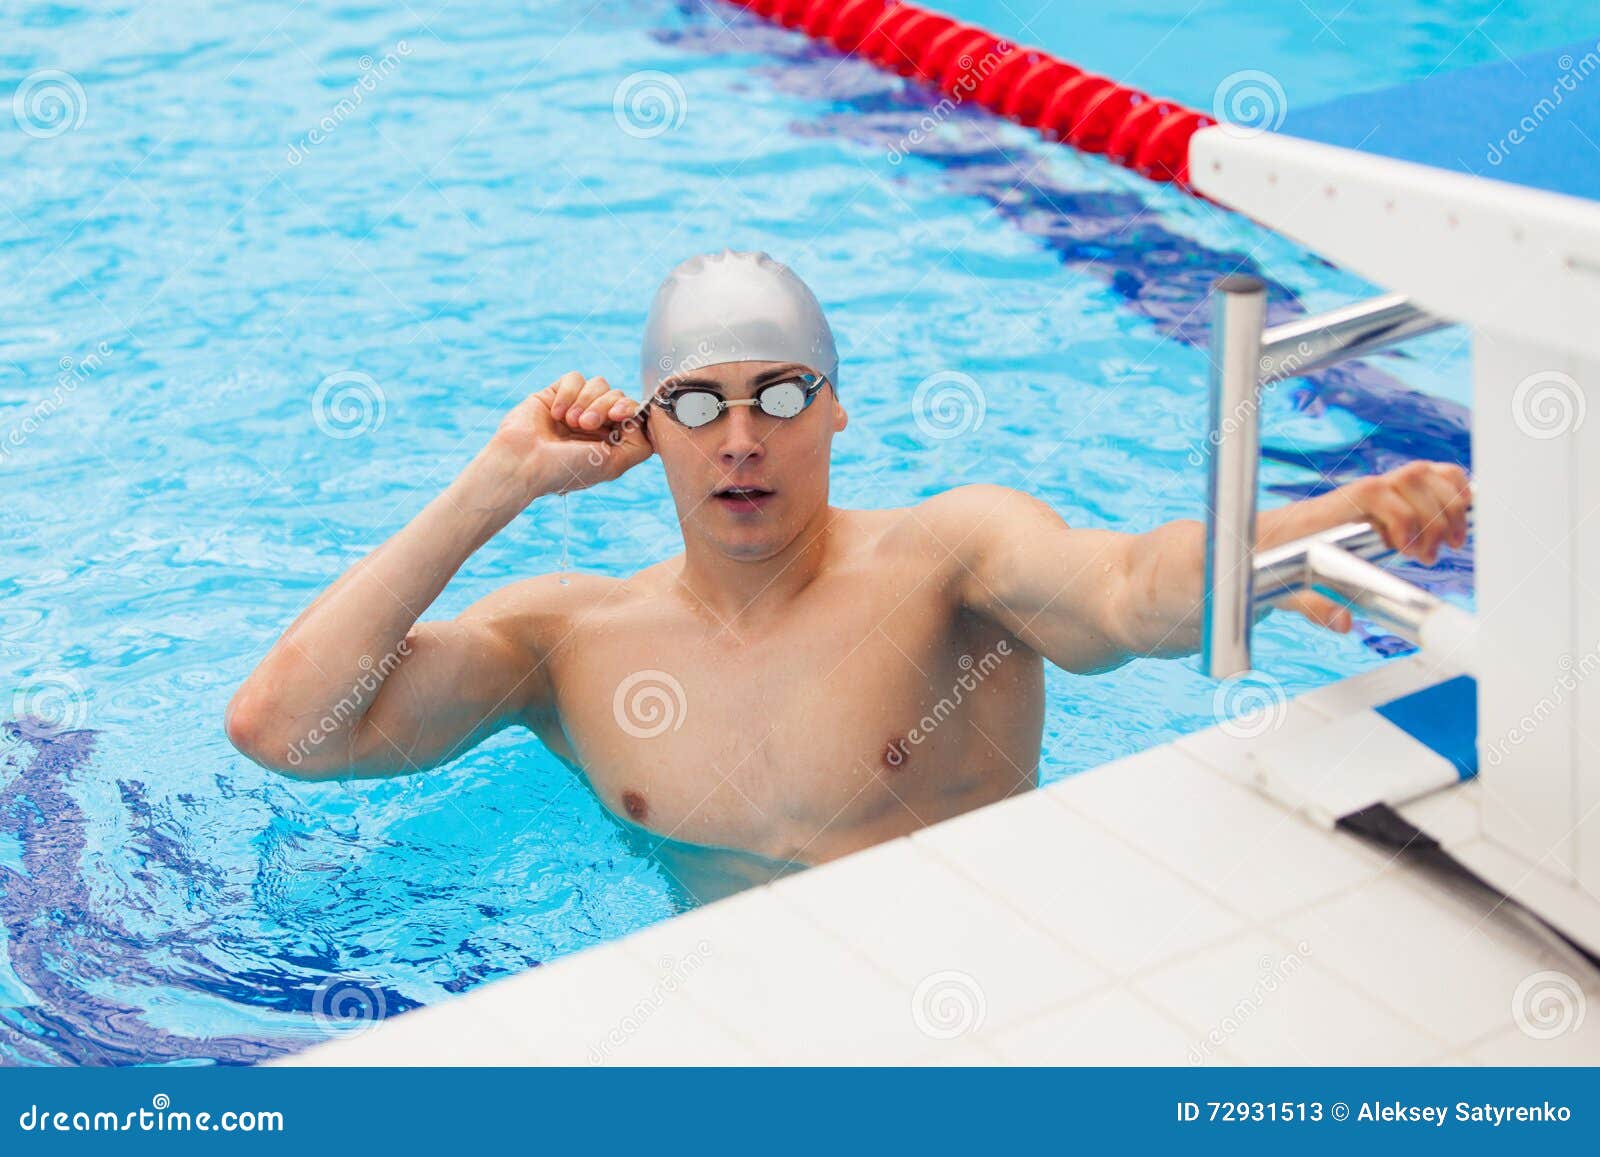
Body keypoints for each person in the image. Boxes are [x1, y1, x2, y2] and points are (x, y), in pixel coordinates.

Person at [226, 250, 1471, 899]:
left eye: (779, 395)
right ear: (647, 431)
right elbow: (284, 728)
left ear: (836, 414)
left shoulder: (951, 561)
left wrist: (1307, 523)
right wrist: (495, 483)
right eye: (695, 405)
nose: (740, 438)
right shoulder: (571, 642)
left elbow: (1129, 588)